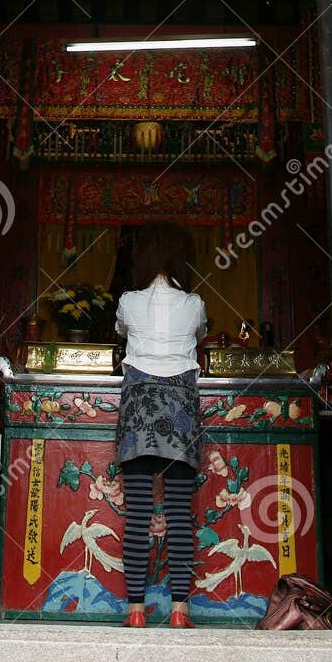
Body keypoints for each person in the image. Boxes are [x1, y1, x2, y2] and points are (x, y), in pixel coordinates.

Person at [114, 223, 207, 628]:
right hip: (180, 413)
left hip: (138, 411)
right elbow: (200, 336)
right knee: (180, 513)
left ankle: (135, 611)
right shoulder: (195, 303)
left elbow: (121, 332)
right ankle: (180, 611)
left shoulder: (128, 301)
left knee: (137, 515)